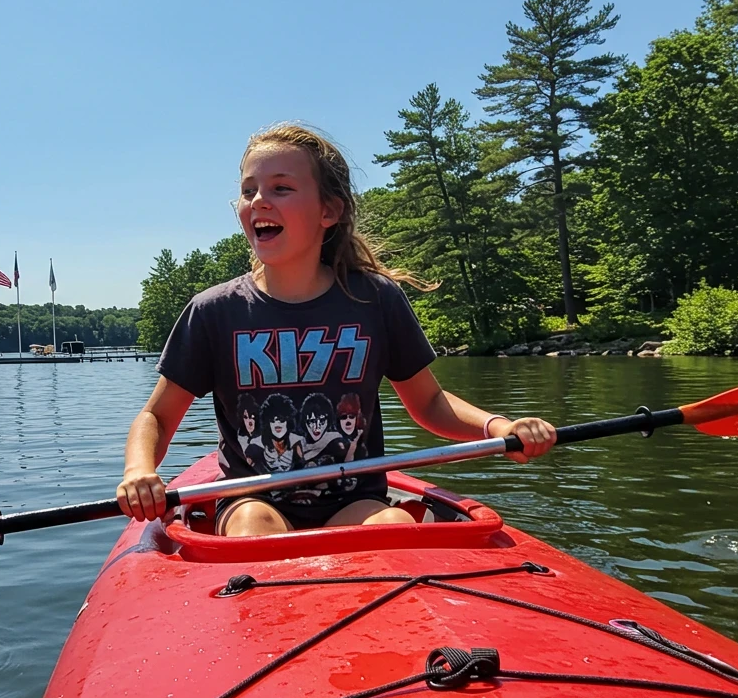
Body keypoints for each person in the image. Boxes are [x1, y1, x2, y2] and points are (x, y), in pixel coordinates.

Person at [117, 123, 556, 537]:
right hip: (251, 501)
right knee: (254, 525)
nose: (258, 201)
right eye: (248, 191)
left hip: (355, 501)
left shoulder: (375, 299)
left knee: (393, 529)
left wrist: (498, 427)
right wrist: (139, 471)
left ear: (329, 210)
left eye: (281, 188)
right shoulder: (214, 311)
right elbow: (156, 416)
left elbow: (429, 402)